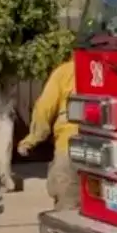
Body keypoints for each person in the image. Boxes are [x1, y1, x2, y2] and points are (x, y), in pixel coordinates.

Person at [16, 57, 80, 210]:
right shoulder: (113, 69)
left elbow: (45, 109)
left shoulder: (65, 72)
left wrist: (32, 139)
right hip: (109, 149)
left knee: (67, 205)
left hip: (70, 145)